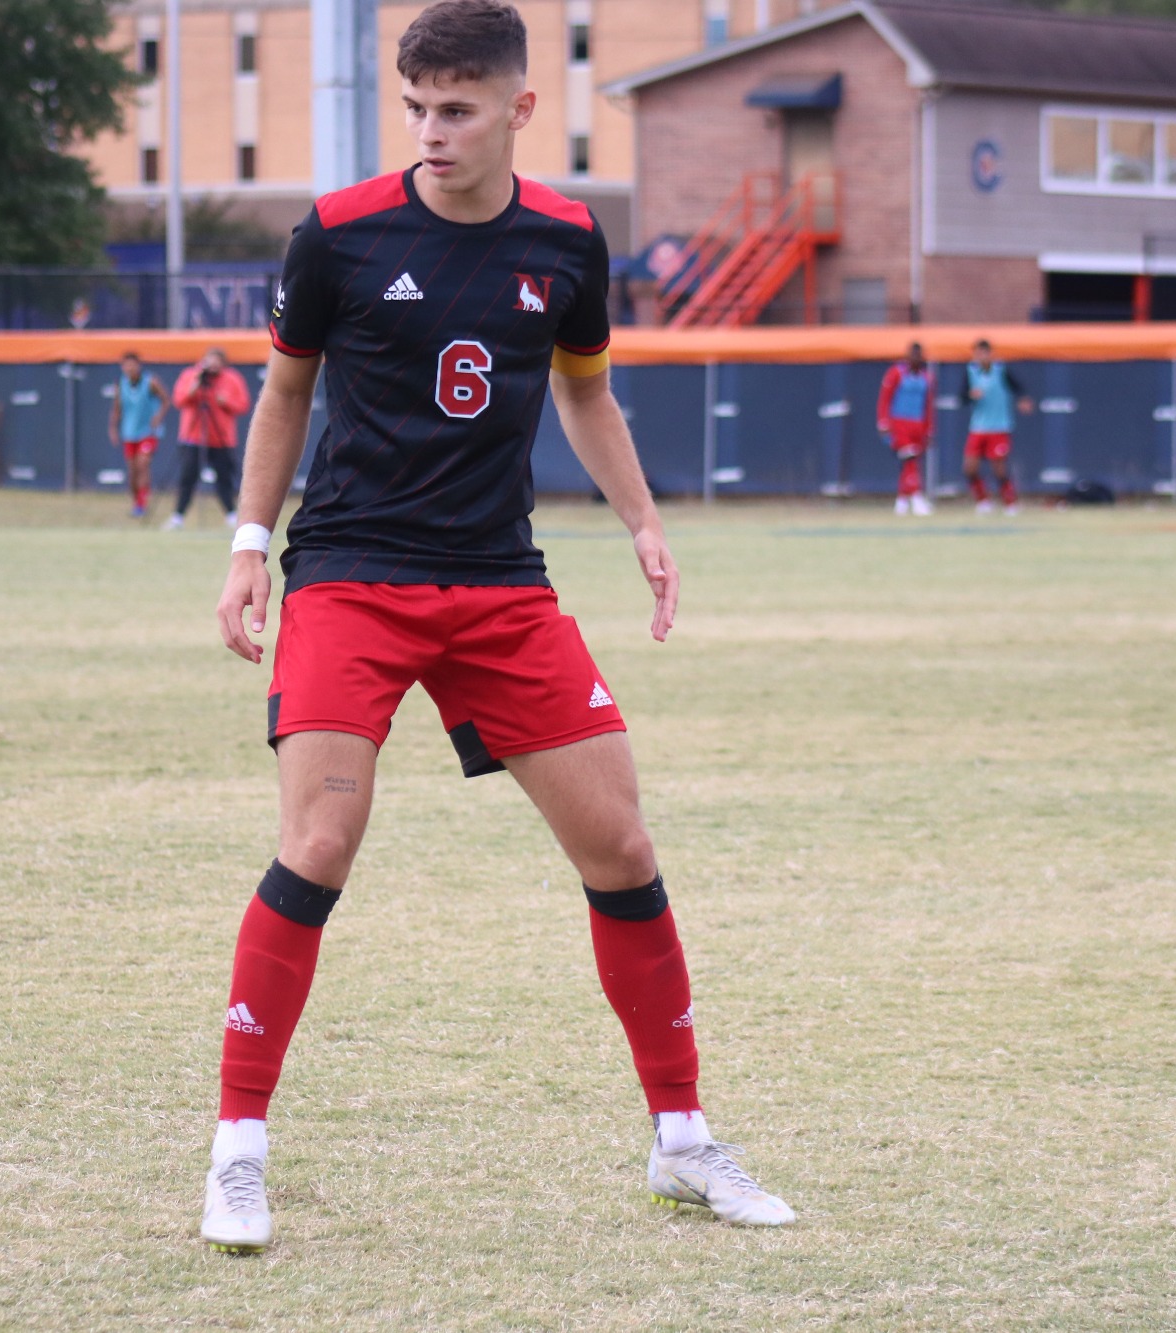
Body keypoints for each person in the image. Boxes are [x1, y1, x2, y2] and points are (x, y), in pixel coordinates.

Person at [201, 0, 795, 1253]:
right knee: (320, 839)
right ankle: (237, 1151)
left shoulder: (570, 242)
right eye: (415, 107)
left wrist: (640, 521)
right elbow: (283, 392)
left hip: (499, 584)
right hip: (352, 576)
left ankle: (682, 1140)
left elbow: (586, 394)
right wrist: (250, 548)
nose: (431, 131)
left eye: (456, 109)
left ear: (520, 109)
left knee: (621, 847)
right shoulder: (341, 235)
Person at [165, 348, 252, 530]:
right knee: (187, 477)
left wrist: (225, 401)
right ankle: (178, 517)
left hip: (221, 439)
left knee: (224, 478)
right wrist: (195, 386)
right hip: (193, 437)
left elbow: (243, 405)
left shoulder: (232, 378)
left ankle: (231, 515)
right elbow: (179, 400)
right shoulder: (191, 374)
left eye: (216, 362)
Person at [963, 338, 1033, 516]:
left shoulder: (1001, 370)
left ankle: (1010, 503)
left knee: (999, 469)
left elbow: (1019, 387)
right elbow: (962, 397)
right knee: (970, 469)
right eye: (977, 353)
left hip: (999, 427)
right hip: (978, 428)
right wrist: (971, 395)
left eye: (984, 353)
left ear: (990, 354)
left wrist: (1023, 400)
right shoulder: (971, 372)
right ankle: (983, 501)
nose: (981, 357)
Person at [876, 341, 935, 516]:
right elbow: (885, 398)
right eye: (912, 355)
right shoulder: (896, 373)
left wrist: (929, 429)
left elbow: (928, 406)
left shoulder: (927, 377)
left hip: (918, 423)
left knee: (912, 461)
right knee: (909, 459)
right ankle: (917, 498)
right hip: (899, 422)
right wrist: (883, 422)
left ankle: (901, 502)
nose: (914, 359)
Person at [109, 351, 169, 519]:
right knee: (132, 471)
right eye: (126, 365)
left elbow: (166, 400)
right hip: (129, 433)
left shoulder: (150, 382)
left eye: (132, 364)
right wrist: (113, 428)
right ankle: (137, 502)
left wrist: (158, 417)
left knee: (143, 464)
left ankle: (142, 504)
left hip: (147, 432)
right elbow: (116, 408)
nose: (129, 368)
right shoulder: (121, 384)